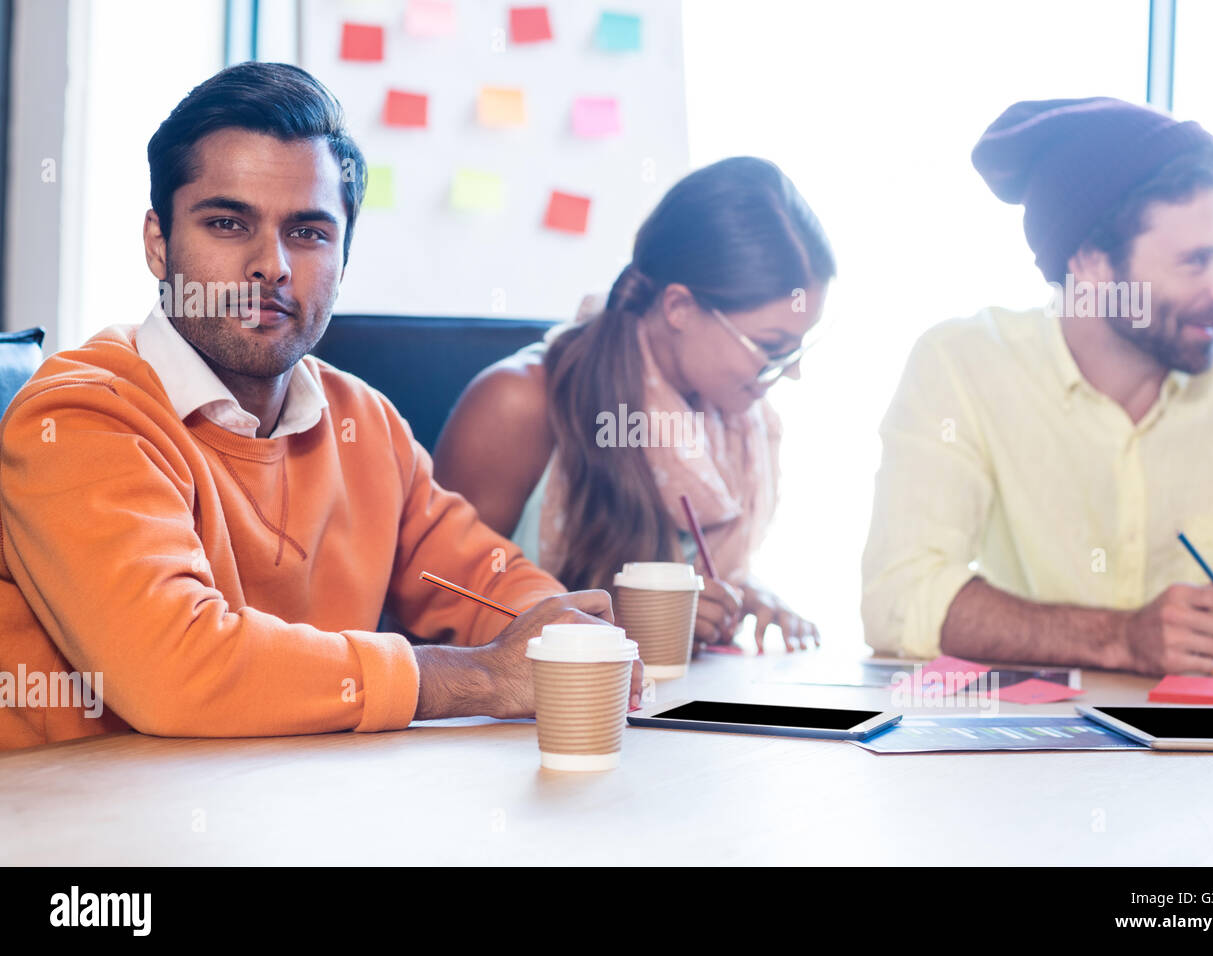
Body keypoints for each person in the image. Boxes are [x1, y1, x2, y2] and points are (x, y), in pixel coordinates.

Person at [0, 61, 640, 751]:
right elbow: (176, 667)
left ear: (343, 257)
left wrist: (560, 636)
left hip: (286, 809)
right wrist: (480, 679)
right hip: (79, 830)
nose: (271, 264)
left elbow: (482, 581)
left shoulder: (360, 420)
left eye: (308, 233)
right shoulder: (79, 417)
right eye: (226, 222)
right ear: (159, 244)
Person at [861, 96, 1213, 676]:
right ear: (1090, 264)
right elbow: (900, 596)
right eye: (1196, 262)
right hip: (1041, 754)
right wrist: (1118, 638)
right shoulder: (962, 364)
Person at [433, 157, 835, 653]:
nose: (789, 372)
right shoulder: (517, 405)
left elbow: (704, 573)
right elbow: (436, 599)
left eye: (798, 349)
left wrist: (745, 595)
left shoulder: (737, 420)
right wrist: (610, 626)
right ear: (679, 308)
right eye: (771, 347)